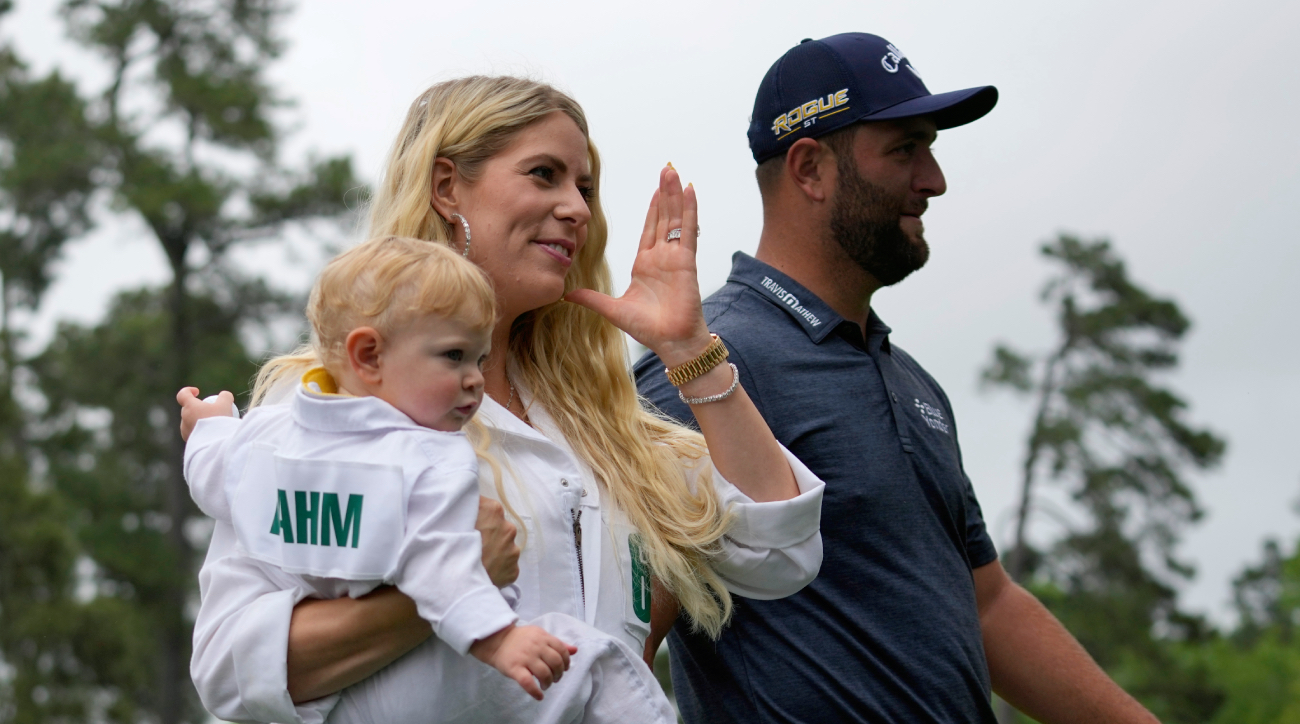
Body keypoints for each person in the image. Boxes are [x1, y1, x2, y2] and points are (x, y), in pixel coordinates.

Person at [182, 76, 826, 724]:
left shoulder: (602, 430)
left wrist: (688, 350)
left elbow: (782, 553)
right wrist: (455, 585)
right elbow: (233, 668)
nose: (576, 208)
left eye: (585, 187)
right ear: (445, 187)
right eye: (544, 174)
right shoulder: (333, 404)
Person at [635, 33, 1161, 724]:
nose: (934, 179)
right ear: (810, 168)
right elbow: (626, 620)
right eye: (905, 149)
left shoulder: (914, 385)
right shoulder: (706, 364)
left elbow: (989, 603)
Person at [178, 236, 676, 723]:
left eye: (479, 359)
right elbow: (443, 566)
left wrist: (211, 424)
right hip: (430, 679)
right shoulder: (431, 458)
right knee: (592, 658)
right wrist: (498, 637)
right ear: (369, 355)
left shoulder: (268, 432)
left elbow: (212, 474)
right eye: (453, 356)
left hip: (338, 699)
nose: (475, 379)